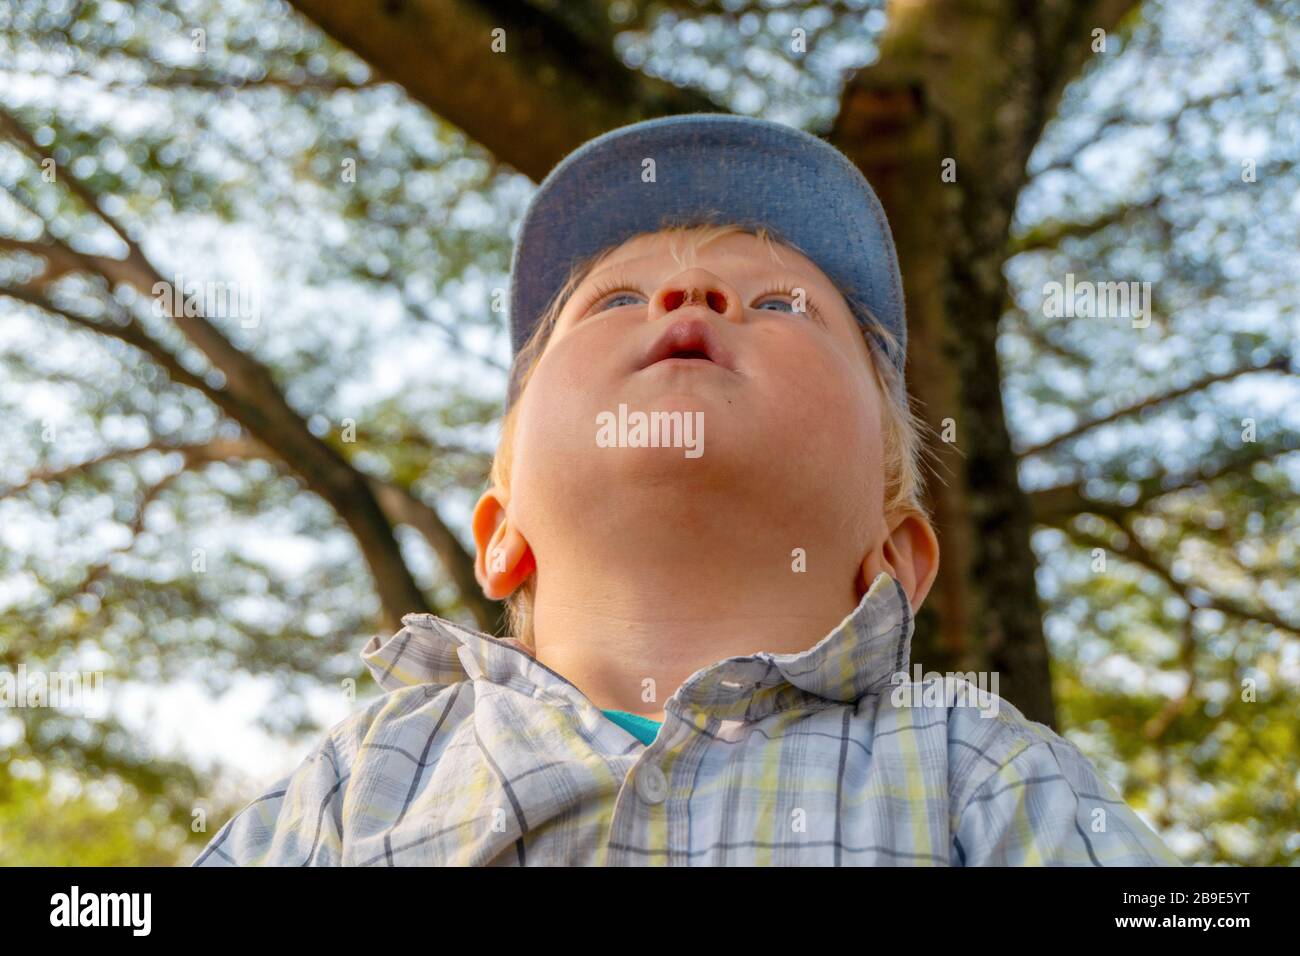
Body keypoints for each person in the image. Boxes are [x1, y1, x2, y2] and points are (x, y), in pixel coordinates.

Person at [193, 114, 1180, 866]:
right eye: (615, 299)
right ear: (500, 534)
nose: (691, 291)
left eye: (780, 305)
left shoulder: (984, 763)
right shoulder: (358, 776)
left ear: (891, 557)